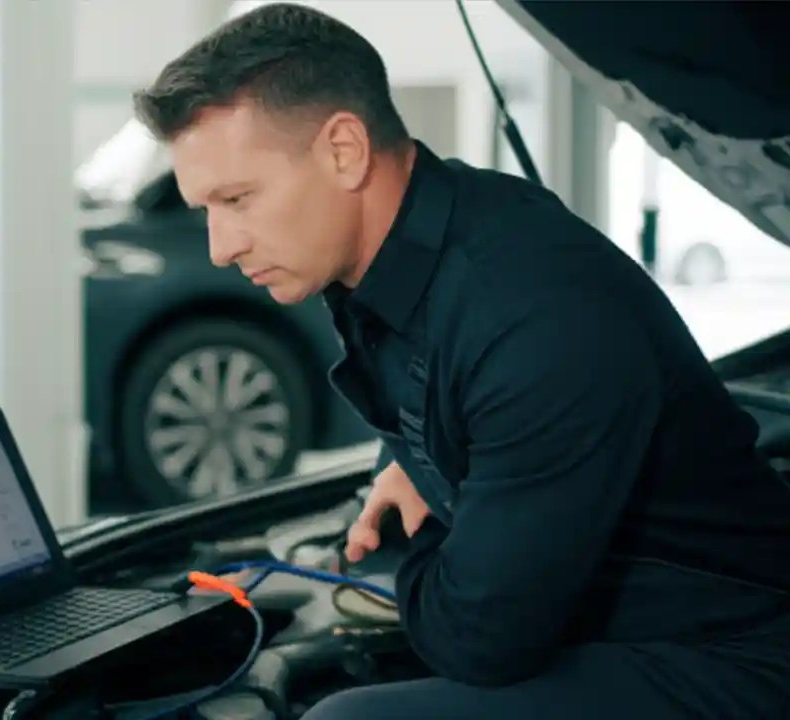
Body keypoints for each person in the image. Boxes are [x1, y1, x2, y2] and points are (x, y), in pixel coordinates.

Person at [133, 3, 790, 718]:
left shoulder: (532, 311)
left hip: (735, 652)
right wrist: (434, 479)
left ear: (344, 150)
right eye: (207, 209)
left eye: (237, 199)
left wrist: (435, 508)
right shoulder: (394, 258)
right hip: (615, 622)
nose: (219, 247)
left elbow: (481, 641)